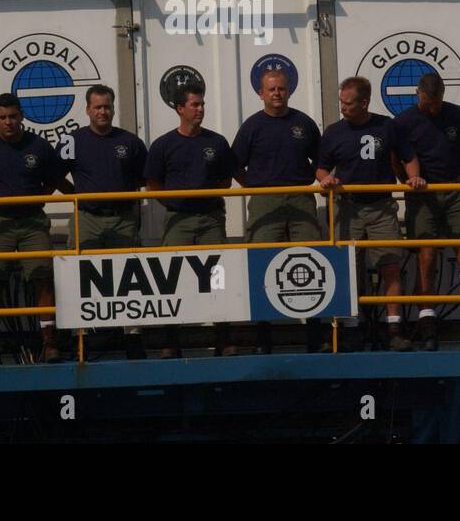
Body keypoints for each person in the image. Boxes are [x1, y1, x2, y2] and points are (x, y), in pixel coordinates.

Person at [316, 77, 416, 352]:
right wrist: (326, 180)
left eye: (348, 103)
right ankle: (350, 329)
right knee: (346, 270)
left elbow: (408, 156)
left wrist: (414, 178)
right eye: (341, 102)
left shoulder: (387, 126)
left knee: (390, 265)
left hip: (382, 207)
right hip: (347, 208)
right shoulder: (334, 132)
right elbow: (322, 168)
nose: (343, 108)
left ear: (364, 102)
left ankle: (394, 327)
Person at [232, 69, 325, 354]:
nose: (277, 94)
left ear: (289, 91)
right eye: (271, 89)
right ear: (260, 93)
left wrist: (305, 179)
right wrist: (259, 187)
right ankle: (263, 339)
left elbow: (321, 160)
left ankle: (316, 337)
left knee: (311, 263)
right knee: (261, 266)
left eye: (281, 89)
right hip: (264, 202)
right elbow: (235, 165)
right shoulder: (252, 127)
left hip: (301, 200)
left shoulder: (304, 124)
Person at [391, 72, 460, 351]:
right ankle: (427, 324)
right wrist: (407, 181)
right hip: (422, 193)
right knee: (426, 256)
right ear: (418, 94)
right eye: (426, 101)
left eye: (435, 102)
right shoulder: (404, 121)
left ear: (442, 96)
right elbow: (396, 159)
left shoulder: (457, 116)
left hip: (455, 190)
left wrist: (458, 177)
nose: (430, 107)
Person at [0, 93, 65, 365]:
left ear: (21, 116)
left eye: (13, 116)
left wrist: (35, 200)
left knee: (43, 278)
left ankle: (49, 342)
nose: (8, 122)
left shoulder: (40, 146)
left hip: (32, 220)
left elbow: (52, 181)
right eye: (2, 117)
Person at [144, 82, 236, 358]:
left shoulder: (216, 142)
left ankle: (223, 338)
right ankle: (171, 341)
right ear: (180, 108)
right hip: (178, 221)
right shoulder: (163, 145)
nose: (200, 109)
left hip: (211, 219)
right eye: (195, 105)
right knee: (173, 278)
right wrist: (174, 203)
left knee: (218, 278)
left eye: (202, 104)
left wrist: (207, 200)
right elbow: (152, 183)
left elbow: (226, 179)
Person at [59, 85, 148, 359]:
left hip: (122, 218)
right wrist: (78, 195)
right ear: (87, 110)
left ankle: (132, 335)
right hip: (86, 218)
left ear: (113, 108)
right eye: (97, 107)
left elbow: (142, 177)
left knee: (129, 277)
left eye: (107, 106)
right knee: (80, 277)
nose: (103, 111)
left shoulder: (130, 142)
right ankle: (80, 336)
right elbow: (54, 176)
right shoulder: (71, 141)